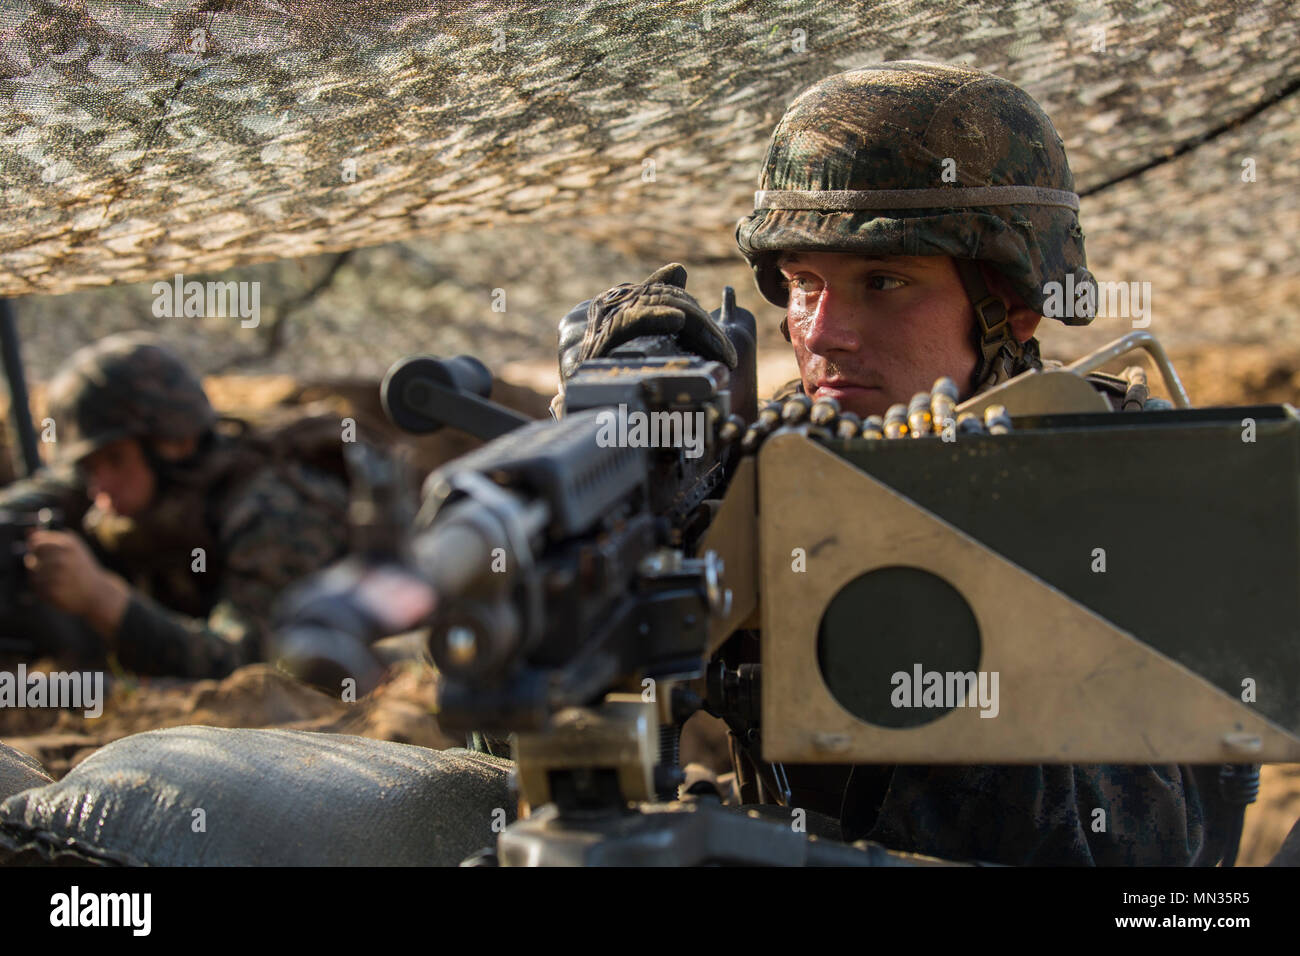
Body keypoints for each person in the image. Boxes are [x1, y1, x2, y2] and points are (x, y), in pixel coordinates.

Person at [553, 61, 1229, 865]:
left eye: (883, 281)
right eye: (804, 284)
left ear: (1009, 305)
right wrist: (610, 492)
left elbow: (1146, 853)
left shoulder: (1130, 484)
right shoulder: (778, 464)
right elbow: (514, 726)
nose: (826, 331)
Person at [0, 332, 352, 679]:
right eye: (88, 467)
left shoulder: (273, 510)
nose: (99, 486)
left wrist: (102, 598)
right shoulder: (126, 482)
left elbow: (249, 668)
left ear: (175, 443)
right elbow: (39, 496)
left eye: (115, 459)